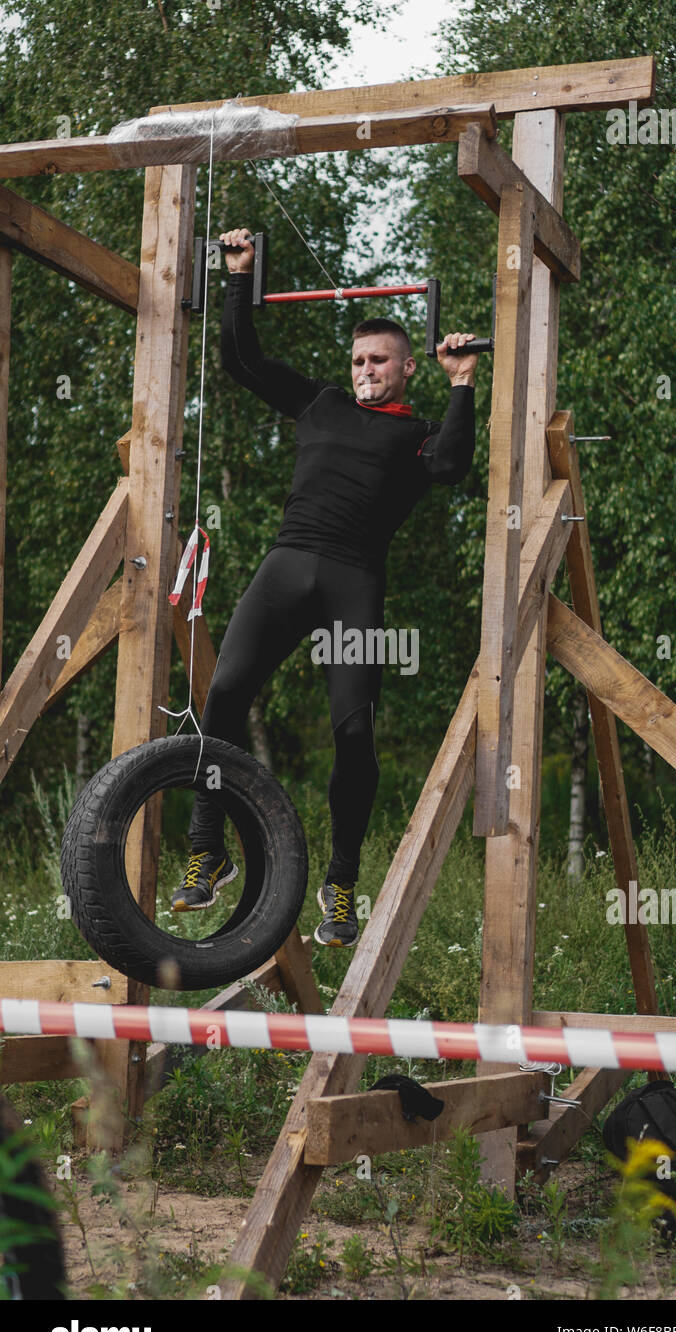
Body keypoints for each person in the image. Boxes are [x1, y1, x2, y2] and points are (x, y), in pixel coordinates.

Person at [171, 227, 478, 946]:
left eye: (378, 360)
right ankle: (206, 846)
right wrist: (237, 276)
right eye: (357, 359)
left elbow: (453, 468)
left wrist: (461, 381)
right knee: (221, 694)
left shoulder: (420, 432)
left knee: (352, 730)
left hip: (351, 580)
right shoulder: (323, 403)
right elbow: (243, 361)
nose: (365, 368)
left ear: (407, 367)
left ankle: (340, 884)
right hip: (287, 565)